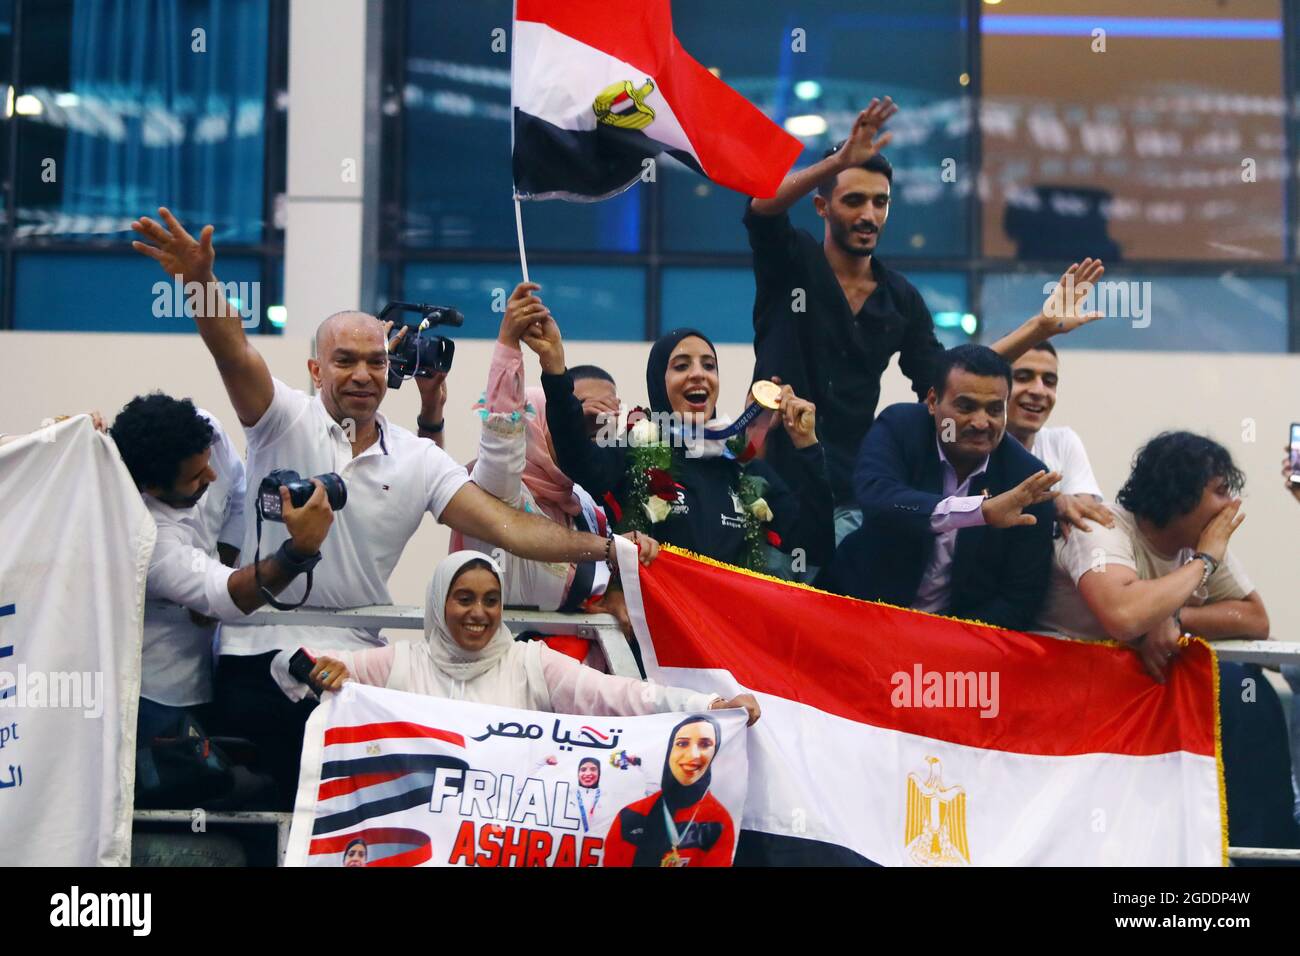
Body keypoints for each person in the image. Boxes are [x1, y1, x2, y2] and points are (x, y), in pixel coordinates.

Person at [130, 208, 658, 802]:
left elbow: (511, 528)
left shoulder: (416, 459)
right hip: (261, 661)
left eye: (376, 361)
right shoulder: (282, 417)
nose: (363, 374)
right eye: (345, 361)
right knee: (340, 794)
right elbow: (233, 351)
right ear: (313, 369)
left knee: (435, 779)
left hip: (361, 668)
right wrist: (201, 282)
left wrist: (609, 547)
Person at [746, 97, 1108, 543]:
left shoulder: (901, 299)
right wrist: (839, 160)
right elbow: (762, 205)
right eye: (854, 200)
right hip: (767, 478)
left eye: (880, 202)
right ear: (822, 207)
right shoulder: (793, 261)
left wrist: (1040, 327)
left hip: (850, 491)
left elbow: (954, 377)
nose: (868, 215)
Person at [1040, 432, 1298, 853]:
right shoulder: (1099, 525)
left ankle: (1264, 853)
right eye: (1220, 491)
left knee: (1249, 692)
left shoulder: (1195, 543)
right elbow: (1123, 615)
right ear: (1181, 493)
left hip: (1142, 709)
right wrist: (1203, 563)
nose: (1231, 506)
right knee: (1233, 687)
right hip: (1073, 709)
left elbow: (1254, 618)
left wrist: (1175, 616)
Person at [109, 394, 334, 796]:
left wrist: (224, 559)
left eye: (207, 463)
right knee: (168, 813)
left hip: (211, 671)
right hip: (158, 696)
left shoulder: (205, 430)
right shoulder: (148, 542)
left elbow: (237, 494)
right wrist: (299, 551)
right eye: (194, 478)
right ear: (153, 487)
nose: (210, 476)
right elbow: (234, 597)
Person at [276, 551, 761, 728]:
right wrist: (314, 668)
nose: (479, 613)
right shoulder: (398, 663)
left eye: (491, 600)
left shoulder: (532, 663)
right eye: (463, 599)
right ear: (439, 604)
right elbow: (285, 665)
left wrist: (707, 705)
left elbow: (625, 697)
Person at [529, 314, 834, 574]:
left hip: (724, 636)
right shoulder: (632, 452)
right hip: (654, 635)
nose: (698, 374)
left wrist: (807, 445)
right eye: (681, 366)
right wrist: (554, 368)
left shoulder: (743, 469)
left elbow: (814, 547)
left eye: (708, 365)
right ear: (658, 382)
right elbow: (575, 456)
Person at [818, 346, 1060, 631]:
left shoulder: (1027, 482)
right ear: (932, 401)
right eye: (966, 407)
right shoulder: (900, 428)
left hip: (952, 647)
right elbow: (877, 499)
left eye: (995, 409)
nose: (982, 423)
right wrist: (977, 511)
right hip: (852, 615)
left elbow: (1018, 601)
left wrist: (941, 641)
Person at [450, 283, 618, 620]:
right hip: (502, 660)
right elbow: (502, 435)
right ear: (536, 427)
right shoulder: (497, 489)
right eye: (571, 416)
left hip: (582, 666)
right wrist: (508, 343)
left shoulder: (582, 502)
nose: (583, 431)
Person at [1005, 342, 1111, 538]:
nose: (1039, 391)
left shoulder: (1063, 441)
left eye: (1049, 381)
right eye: (1023, 377)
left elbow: (1086, 517)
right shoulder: (975, 447)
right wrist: (1052, 504)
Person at [602, 714, 735, 867]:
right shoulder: (631, 815)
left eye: (705, 744)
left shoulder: (718, 821)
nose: (693, 755)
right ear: (669, 752)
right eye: (682, 743)